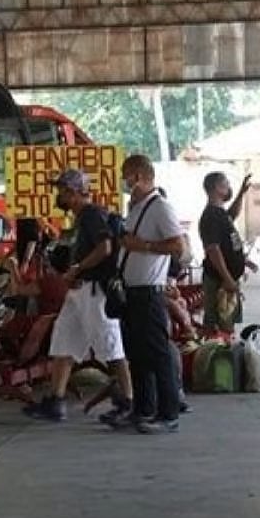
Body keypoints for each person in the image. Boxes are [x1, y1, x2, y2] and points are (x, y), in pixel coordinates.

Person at [24, 169, 133, 423]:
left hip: (94, 291)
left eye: (61, 191)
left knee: (111, 345)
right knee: (64, 340)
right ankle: (56, 400)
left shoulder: (92, 214)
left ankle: (128, 400)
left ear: (73, 193)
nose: (58, 196)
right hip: (79, 292)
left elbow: (105, 247)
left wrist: (77, 267)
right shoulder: (82, 218)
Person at [116, 155, 188, 434]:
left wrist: (142, 245)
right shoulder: (136, 207)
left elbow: (177, 246)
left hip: (149, 292)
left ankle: (168, 413)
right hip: (132, 291)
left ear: (139, 175)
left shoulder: (160, 208)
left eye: (127, 175)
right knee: (138, 354)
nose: (125, 180)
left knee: (158, 354)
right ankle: (143, 408)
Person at [198, 172, 252, 333]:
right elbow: (213, 249)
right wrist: (227, 278)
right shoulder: (210, 216)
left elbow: (232, 214)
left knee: (228, 323)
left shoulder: (220, 213)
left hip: (226, 279)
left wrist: (241, 193)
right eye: (226, 184)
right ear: (217, 187)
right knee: (219, 325)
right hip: (218, 281)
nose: (229, 188)